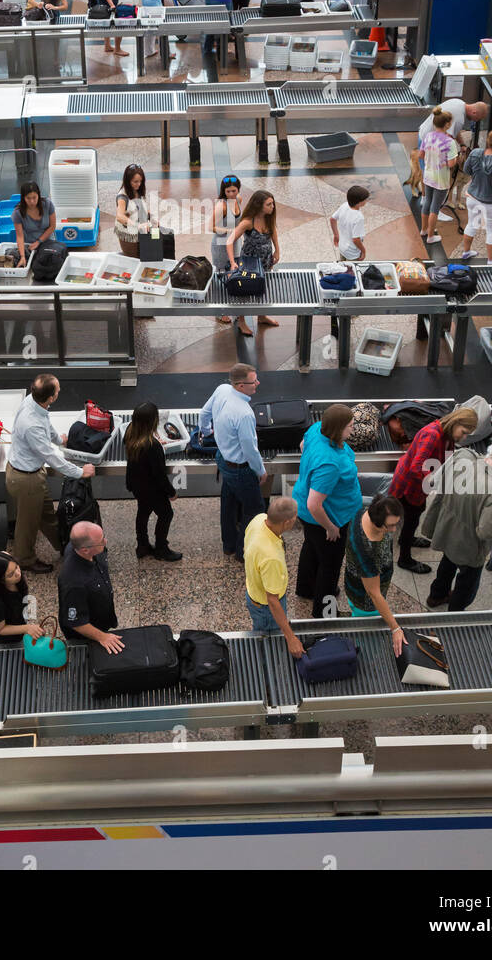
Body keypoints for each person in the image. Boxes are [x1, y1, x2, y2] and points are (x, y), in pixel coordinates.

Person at [7, 374, 94, 573]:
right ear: (51, 398)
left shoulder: (33, 401)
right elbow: (52, 459)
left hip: (29, 475)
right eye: (57, 390)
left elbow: (46, 422)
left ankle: (65, 545)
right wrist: (80, 472)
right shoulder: (31, 426)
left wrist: (58, 439)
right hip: (26, 479)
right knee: (27, 524)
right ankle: (25, 559)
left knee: (46, 514)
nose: (59, 391)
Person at [423, 440, 492, 611]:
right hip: (470, 545)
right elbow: (484, 532)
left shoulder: (462, 456)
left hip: (446, 529)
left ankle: (436, 596)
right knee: (467, 582)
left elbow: (436, 480)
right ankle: (455, 614)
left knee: (447, 564)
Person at [388, 406, 478, 574]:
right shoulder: (432, 435)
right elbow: (416, 467)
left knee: (416, 513)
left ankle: (405, 539)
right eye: (464, 432)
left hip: (418, 485)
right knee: (411, 520)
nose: (464, 437)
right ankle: (404, 559)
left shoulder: (447, 434)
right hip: (409, 485)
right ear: (456, 422)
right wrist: (436, 482)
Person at [294, 404, 363, 618]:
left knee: (312, 548)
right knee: (330, 566)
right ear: (338, 428)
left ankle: (305, 589)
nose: (353, 429)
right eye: (350, 426)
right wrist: (331, 527)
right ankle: (325, 613)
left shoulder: (316, 430)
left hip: (305, 509)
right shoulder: (330, 464)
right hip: (327, 518)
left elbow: (303, 445)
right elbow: (315, 504)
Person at [200, 364, 268, 560]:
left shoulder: (222, 390)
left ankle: (228, 545)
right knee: (254, 509)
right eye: (253, 381)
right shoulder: (244, 413)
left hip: (222, 458)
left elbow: (204, 413)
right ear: (240, 385)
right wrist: (260, 471)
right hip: (241, 469)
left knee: (228, 505)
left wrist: (206, 432)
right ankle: (242, 551)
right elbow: (250, 449)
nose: (257, 383)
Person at [343, 495, 406, 649]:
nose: (394, 530)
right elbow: (374, 594)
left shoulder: (364, 512)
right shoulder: (366, 551)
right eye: (390, 526)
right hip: (366, 602)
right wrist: (395, 628)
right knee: (367, 632)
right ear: (377, 522)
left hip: (355, 582)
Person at [243, 497, 303, 655]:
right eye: (294, 518)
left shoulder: (259, 519)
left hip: (253, 592)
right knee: (268, 641)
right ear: (287, 522)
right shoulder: (271, 558)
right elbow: (272, 600)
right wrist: (291, 638)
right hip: (266, 608)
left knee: (261, 630)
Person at [124, 402, 182, 561]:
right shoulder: (152, 446)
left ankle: (142, 545)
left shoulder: (130, 432)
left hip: (136, 485)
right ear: (152, 422)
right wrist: (171, 492)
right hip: (152, 489)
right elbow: (159, 475)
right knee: (166, 514)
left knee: (143, 512)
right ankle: (161, 548)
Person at [58, 522, 120, 649]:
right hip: (87, 635)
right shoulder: (73, 583)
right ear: (85, 550)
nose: (105, 541)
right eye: (101, 541)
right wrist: (102, 637)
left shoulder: (88, 549)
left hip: (100, 615)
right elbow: (76, 622)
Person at [225, 189, 280, 332]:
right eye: (269, 204)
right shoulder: (248, 222)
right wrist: (232, 262)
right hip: (250, 263)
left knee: (263, 287)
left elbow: (273, 231)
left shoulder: (268, 218)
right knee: (244, 290)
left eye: (272, 204)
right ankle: (241, 320)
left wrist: (277, 250)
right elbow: (229, 241)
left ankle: (261, 316)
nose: (272, 207)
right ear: (259, 205)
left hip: (265, 261)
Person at [459, 130, 492, 265]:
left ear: (487, 141)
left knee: (472, 224)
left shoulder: (475, 153)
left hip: (473, 198)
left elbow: (466, 170)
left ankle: (466, 252)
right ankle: (491, 260)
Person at [419, 107, 459, 245]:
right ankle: (431, 236)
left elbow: (421, 155)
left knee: (427, 203)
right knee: (435, 207)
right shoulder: (450, 142)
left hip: (428, 175)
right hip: (441, 179)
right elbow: (451, 163)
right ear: (447, 124)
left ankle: (423, 230)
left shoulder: (428, 136)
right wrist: (456, 158)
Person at [0, 552, 45, 644]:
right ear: (0, 580)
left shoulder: (17, 580)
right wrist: (27, 628)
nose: (18, 573)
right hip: (5, 641)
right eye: (10, 574)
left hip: (17, 625)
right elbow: (0, 629)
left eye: (17, 567)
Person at [211, 174, 242, 323]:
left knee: (234, 274)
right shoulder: (221, 206)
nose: (231, 194)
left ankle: (234, 307)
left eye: (234, 191)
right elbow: (212, 227)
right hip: (221, 244)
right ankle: (220, 310)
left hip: (235, 242)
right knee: (221, 277)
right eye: (228, 191)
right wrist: (228, 231)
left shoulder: (239, 200)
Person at [12, 182, 57, 270]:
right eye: (28, 198)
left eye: (34, 197)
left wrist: (39, 242)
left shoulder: (48, 204)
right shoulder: (17, 213)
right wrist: (22, 256)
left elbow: (52, 226)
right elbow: (20, 236)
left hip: (48, 241)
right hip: (29, 244)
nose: (32, 201)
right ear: (23, 198)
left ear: (38, 195)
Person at [115, 162, 152, 256]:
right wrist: (137, 225)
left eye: (141, 181)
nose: (139, 184)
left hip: (141, 233)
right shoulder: (122, 197)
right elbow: (119, 216)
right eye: (135, 182)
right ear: (128, 181)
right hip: (130, 237)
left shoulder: (137, 190)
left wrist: (151, 217)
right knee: (135, 258)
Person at [418, 97, 486, 147]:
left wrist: (462, 144)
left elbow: (454, 129)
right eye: (477, 118)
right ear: (474, 112)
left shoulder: (459, 102)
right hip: (429, 145)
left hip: (424, 133)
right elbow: (446, 143)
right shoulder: (460, 119)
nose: (475, 121)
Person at [330, 184, 369, 262]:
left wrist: (336, 235)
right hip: (352, 253)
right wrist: (363, 251)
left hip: (342, 247)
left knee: (342, 266)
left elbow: (332, 219)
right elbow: (356, 239)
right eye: (365, 199)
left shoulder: (345, 205)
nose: (366, 201)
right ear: (359, 202)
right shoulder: (359, 217)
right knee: (351, 271)